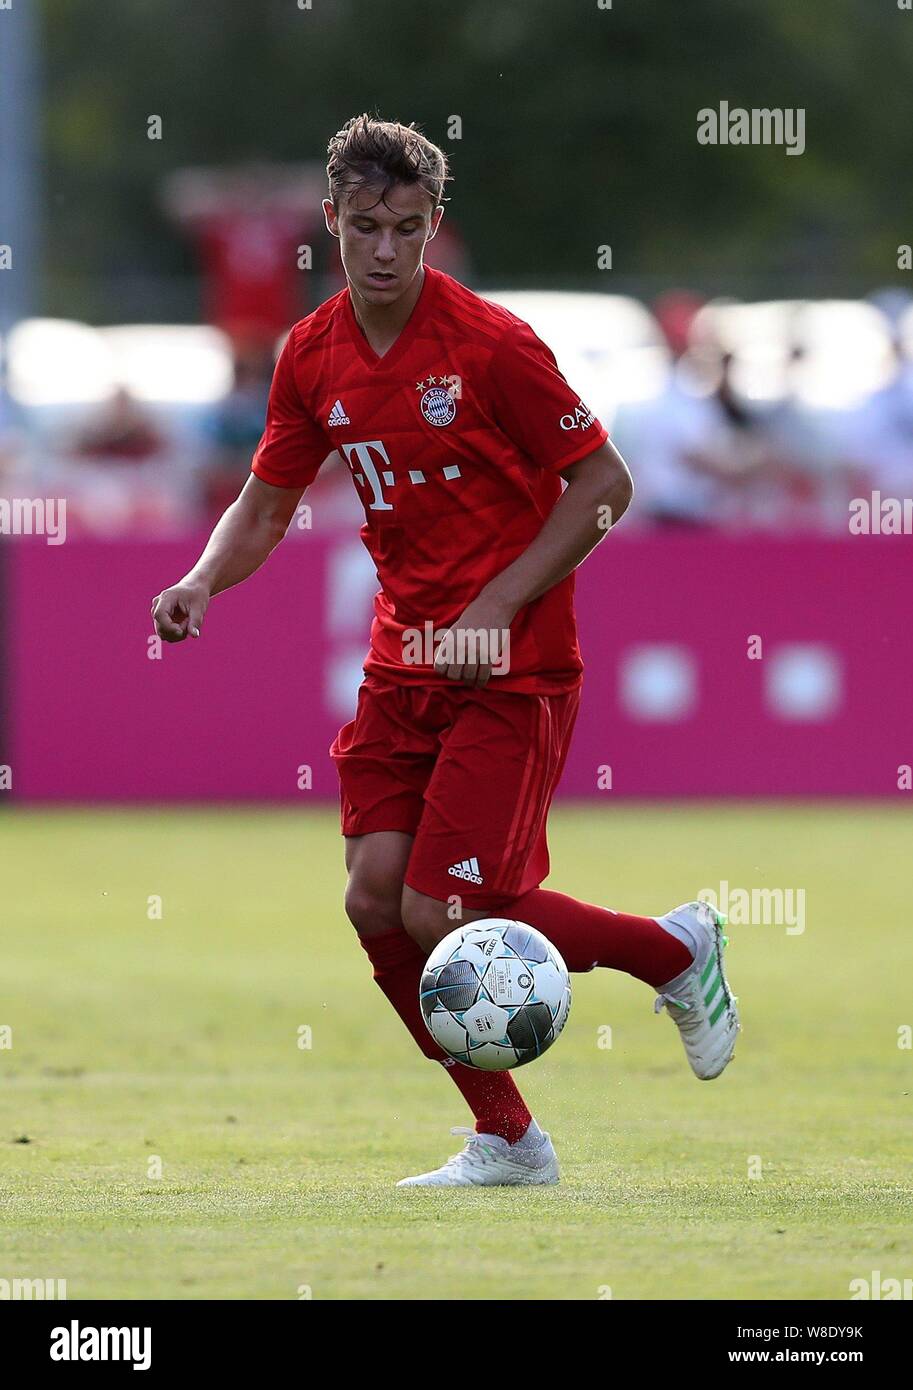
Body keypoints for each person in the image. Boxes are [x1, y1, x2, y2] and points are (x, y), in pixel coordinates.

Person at [151, 115, 739, 1188]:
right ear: (329, 221)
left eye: (408, 230)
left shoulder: (490, 345)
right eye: (366, 226)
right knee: (377, 899)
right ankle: (510, 1138)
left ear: (435, 228)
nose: (385, 250)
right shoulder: (311, 353)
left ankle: (673, 951)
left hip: (514, 668)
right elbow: (266, 504)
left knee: (444, 909)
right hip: (401, 665)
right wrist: (199, 580)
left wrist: (499, 602)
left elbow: (605, 486)